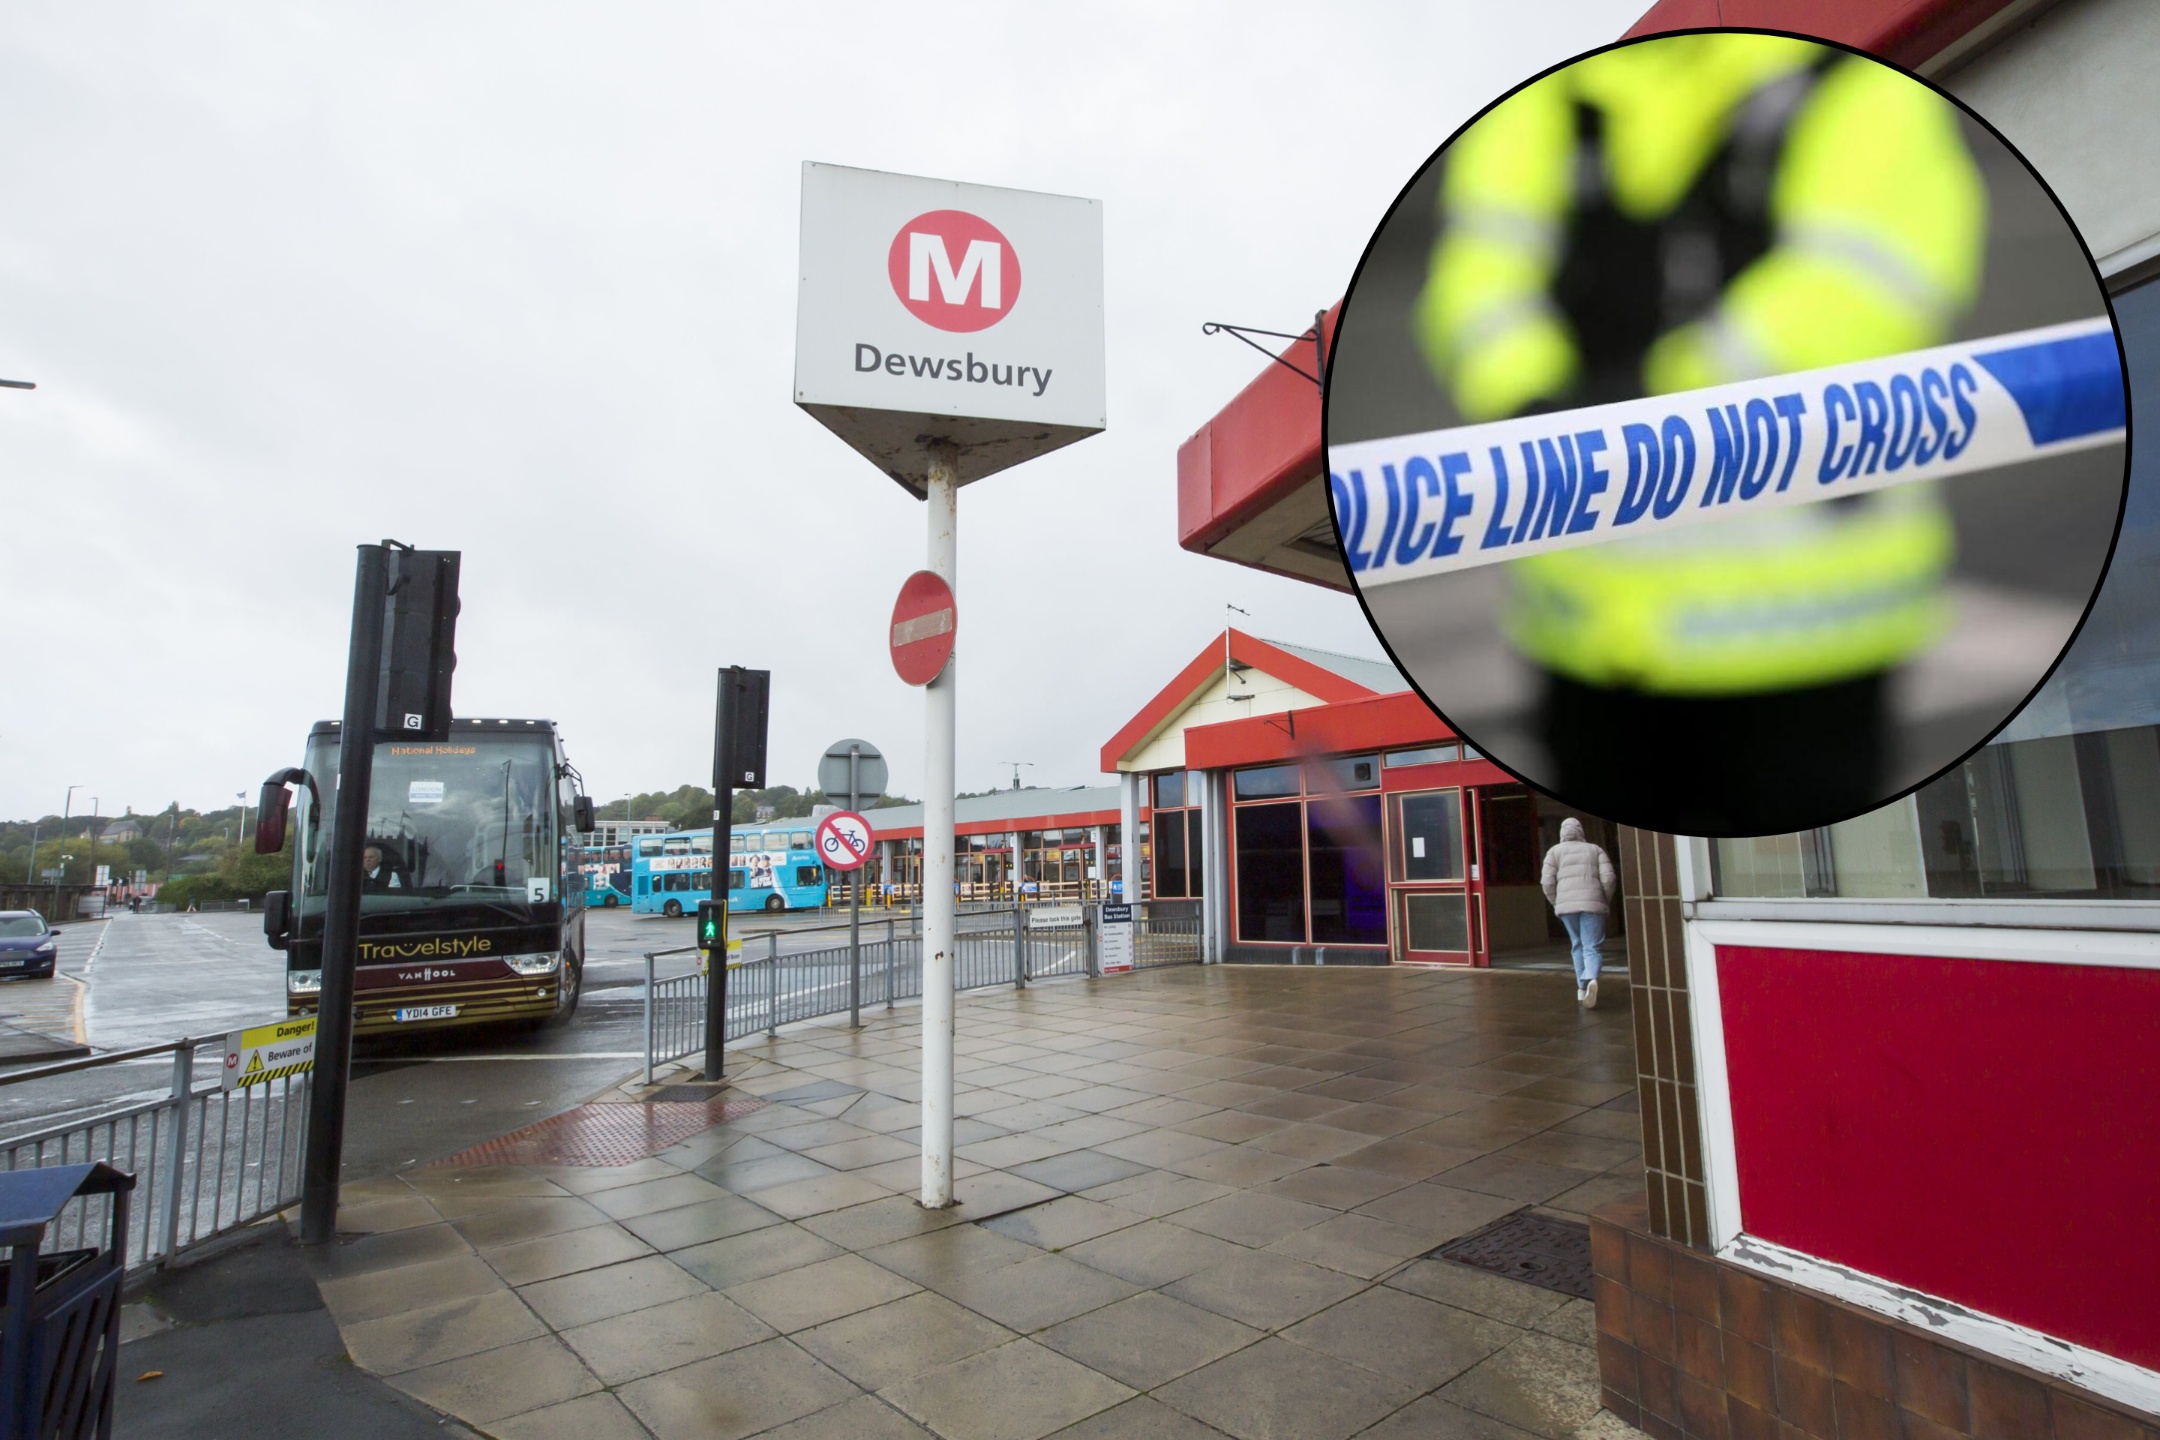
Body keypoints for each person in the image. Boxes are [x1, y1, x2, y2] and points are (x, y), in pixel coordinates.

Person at [1414, 33, 1985, 834]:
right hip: (1591, 634)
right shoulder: (1533, 115)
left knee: (1799, 846)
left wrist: (1652, 394)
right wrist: (1530, 399)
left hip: (1810, 633)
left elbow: (1864, 292)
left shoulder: (1851, 90)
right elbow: (1477, 289)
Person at [1542, 817, 1617, 1008]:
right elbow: (1608, 879)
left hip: (1566, 906)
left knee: (1577, 945)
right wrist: (1604, 899)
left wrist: (1556, 902)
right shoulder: (1595, 850)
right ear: (1581, 831)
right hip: (1593, 904)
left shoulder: (1554, 852)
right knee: (1591, 946)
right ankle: (1591, 978)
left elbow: (1547, 882)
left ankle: (1581, 989)